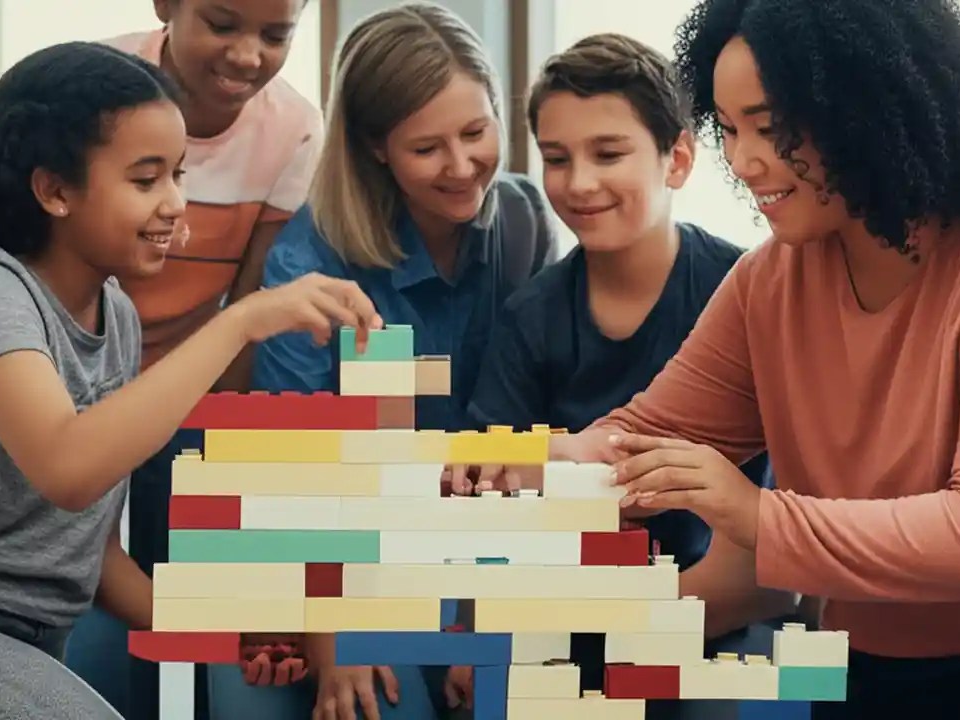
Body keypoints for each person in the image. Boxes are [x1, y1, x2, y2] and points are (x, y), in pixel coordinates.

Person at [492, 0, 960, 718]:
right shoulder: (770, 281)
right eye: (729, 130)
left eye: (770, 129)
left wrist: (754, 515)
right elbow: (651, 438)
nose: (742, 160)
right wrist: (542, 462)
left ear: (866, 111)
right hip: (864, 658)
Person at [0, 41, 380, 720]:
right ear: (55, 190)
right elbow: (67, 466)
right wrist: (242, 320)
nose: (175, 204)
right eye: (145, 180)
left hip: (20, 641)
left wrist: (229, 631)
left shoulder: (117, 318)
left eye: (178, 174)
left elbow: (87, 546)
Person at [246, 3, 558, 718]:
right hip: (345, 549)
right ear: (375, 147)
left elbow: (531, 437)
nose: (462, 166)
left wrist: (488, 610)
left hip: (476, 548)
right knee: (377, 699)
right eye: (427, 149)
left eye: (477, 132)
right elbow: (293, 470)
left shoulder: (524, 224)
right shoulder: (311, 261)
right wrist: (331, 632)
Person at [461, 33, 779, 706]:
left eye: (608, 153)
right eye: (556, 158)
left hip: (718, 622)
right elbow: (485, 484)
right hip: (563, 628)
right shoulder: (532, 317)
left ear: (678, 159)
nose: (579, 183)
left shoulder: (751, 290)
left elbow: (774, 552)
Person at [83, 1, 324, 714]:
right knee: (74, 557)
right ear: (166, 6)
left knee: (175, 565)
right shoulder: (94, 86)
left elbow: (249, 306)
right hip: (79, 369)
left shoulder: (295, 128)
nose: (247, 54)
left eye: (275, 35)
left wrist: (216, 452)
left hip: (189, 379)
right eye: (222, 24)